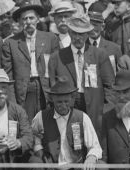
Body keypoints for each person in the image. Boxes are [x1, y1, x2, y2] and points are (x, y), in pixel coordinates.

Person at [30, 78, 107, 170]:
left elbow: (95, 146)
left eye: (66, 101)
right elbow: (33, 136)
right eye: (59, 102)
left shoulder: (82, 117)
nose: (63, 105)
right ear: (52, 99)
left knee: (101, 167)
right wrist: (39, 149)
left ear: (72, 99)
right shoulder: (41, 117)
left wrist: (91, 158)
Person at [48, 14, 116, 142]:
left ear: (87, 34)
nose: (78, 37)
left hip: (95, 107)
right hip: (69, 107)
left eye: (82, 34)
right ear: (69, 32)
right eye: (74, 33)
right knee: (73, 143)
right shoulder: (56, 57)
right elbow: (52, 89)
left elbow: (111, 87)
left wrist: (105, 112)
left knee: (94, 143)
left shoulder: (99, 55)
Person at [2, 2, 57, 119]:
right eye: (24, 19)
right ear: (20, 22)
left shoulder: (50, 39)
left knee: (48, 124)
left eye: (31, 18)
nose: (28, 22)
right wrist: (12, 103)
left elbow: (57, 69)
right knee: (27, 124)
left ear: (37, 19)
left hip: (46, 89)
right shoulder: (10, 43)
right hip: (25, 90)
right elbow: (9, 76)